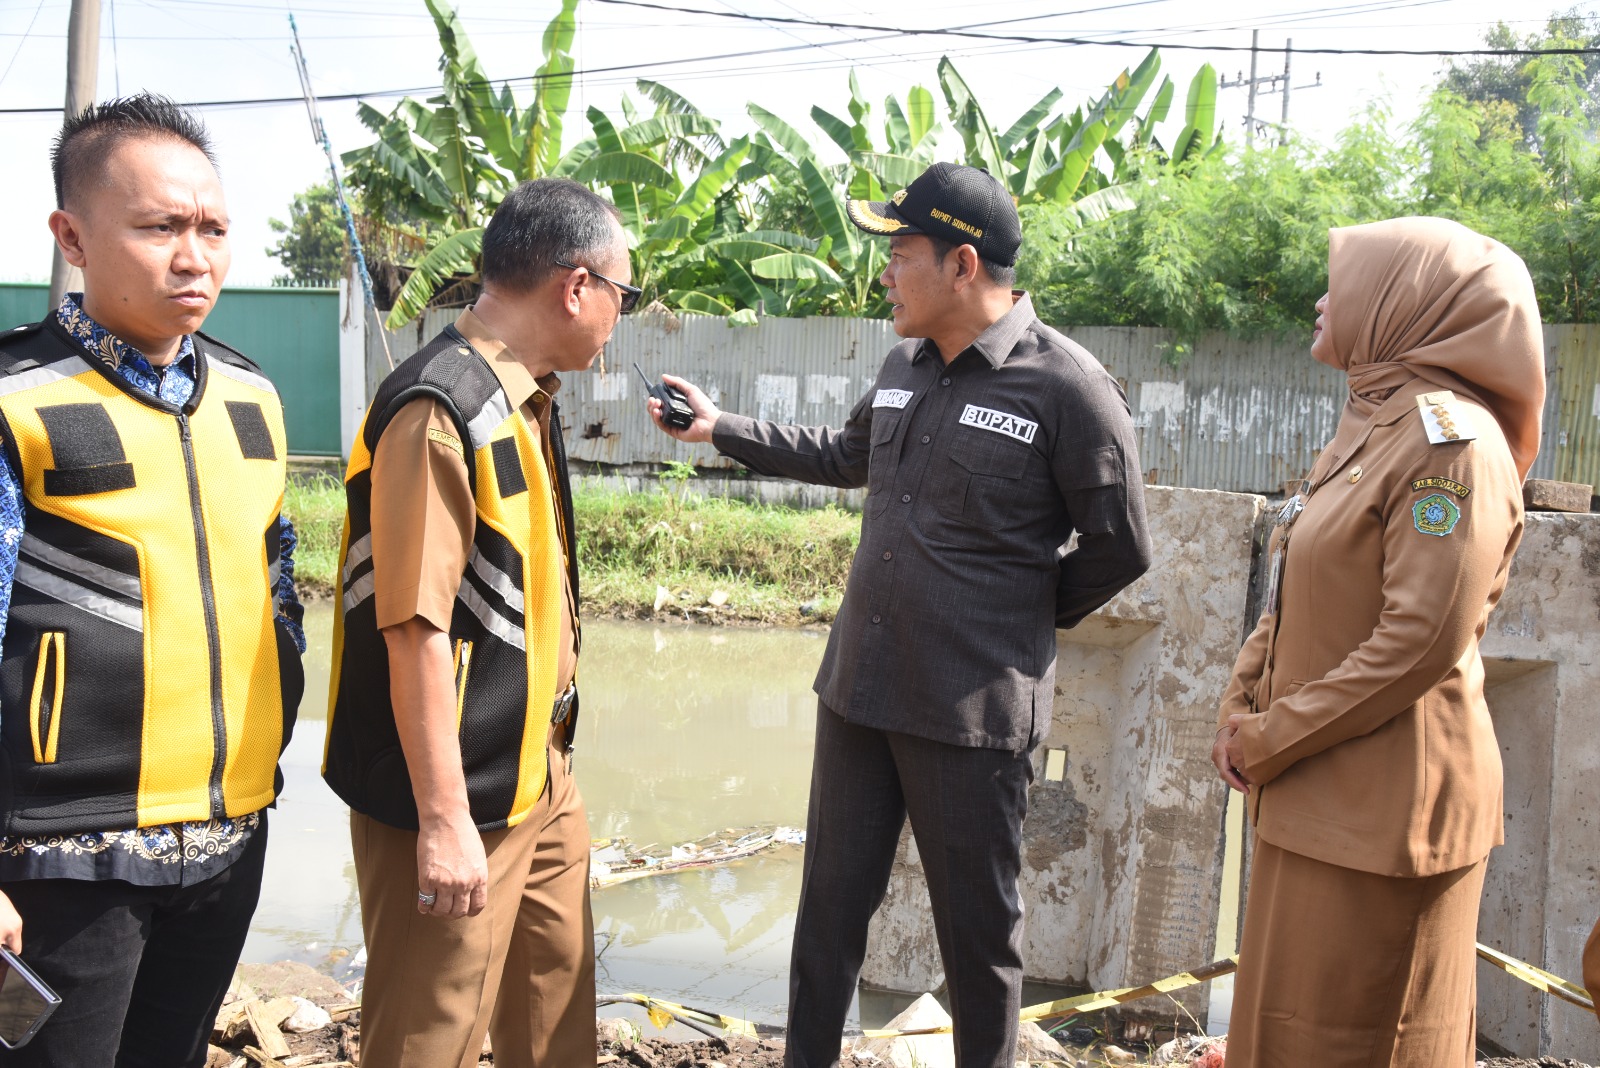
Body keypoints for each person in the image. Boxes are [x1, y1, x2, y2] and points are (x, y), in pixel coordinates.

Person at [647, 162, 1151, 1068]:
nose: (885, 272)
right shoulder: (901, 365)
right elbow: (845, 457)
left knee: (978, 944)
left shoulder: (1069, 389)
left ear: (962, 265)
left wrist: (1010, 625)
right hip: (858, 694)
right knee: (827, 915)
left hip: (968, 716)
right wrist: (718, 428)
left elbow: (1121, 547)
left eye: (901, 253)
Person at [0, 93, 306, 1067]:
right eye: (159, 226)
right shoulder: (21, 402)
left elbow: (278, 582)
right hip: (59, 862)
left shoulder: (252, 398)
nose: (195, 256)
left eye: (212, 228)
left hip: (228, 846)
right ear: (73, 238)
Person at [1212, 217, 1545, 1067]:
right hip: (1313, 790)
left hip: (1386, 814)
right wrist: (1239, 704)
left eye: (1344, 283)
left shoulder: (1452, 446)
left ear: (1405, 304)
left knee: (1362, 1040)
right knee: (1282, 1033)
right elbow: (1293, 592)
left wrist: (1272, 736)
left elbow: (1419, 640)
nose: (1323, 300)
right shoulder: (1376, 424)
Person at [322, 177, 624, 1068]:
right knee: (431, 1034)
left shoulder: (526, 394)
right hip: (452, 801)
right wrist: (445, 823)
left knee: (555, 1016)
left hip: (535, 772)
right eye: (622, 294)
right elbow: (410, 629)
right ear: (577, 287)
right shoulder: (439, 407)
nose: (621, 317)